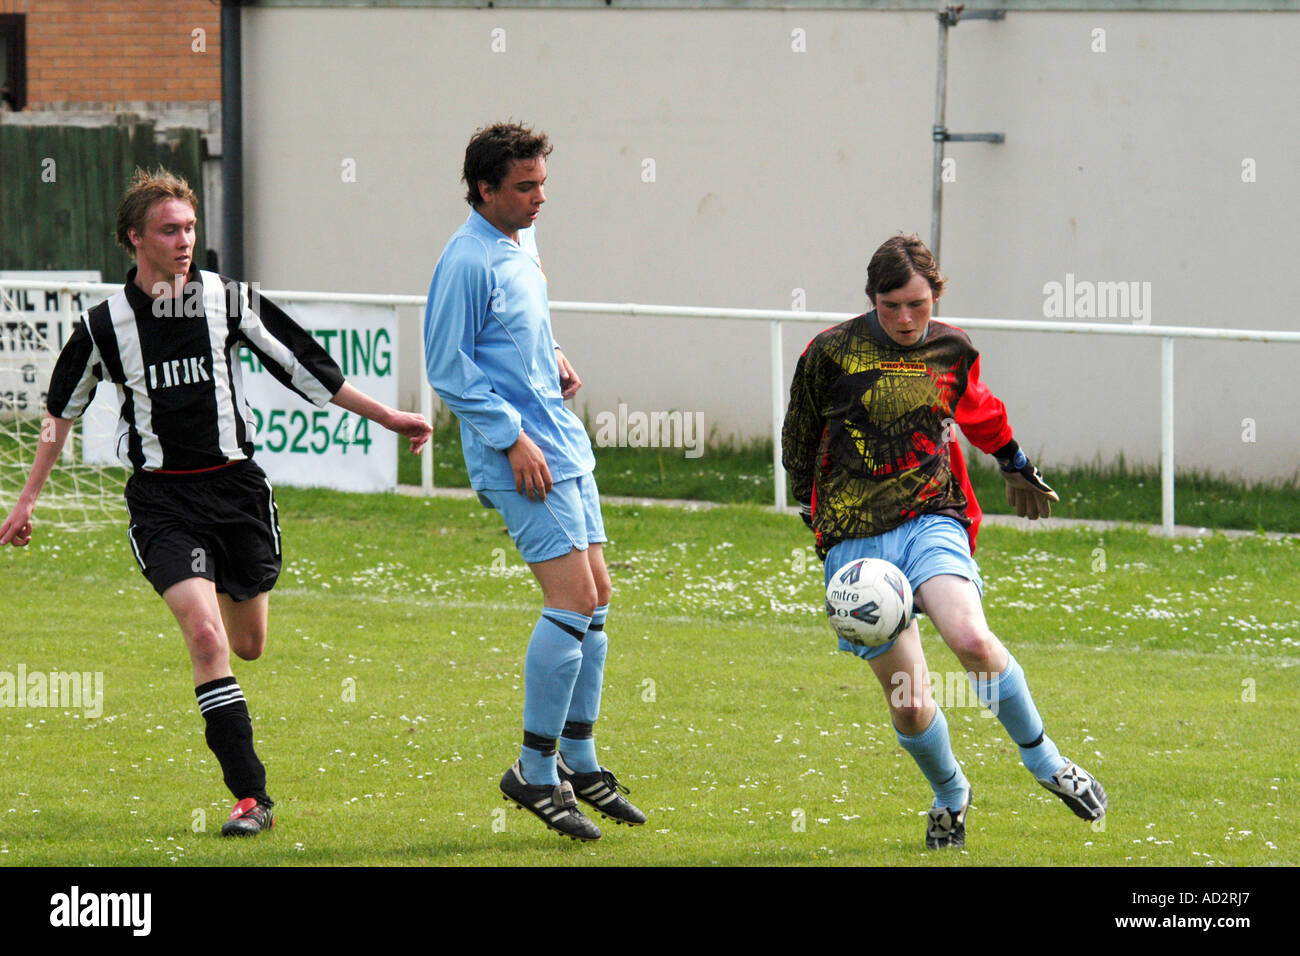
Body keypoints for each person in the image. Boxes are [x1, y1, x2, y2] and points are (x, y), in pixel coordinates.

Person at [1, 168, 432, 836]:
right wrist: (28, 500)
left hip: (235, 492)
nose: (184, 241)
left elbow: (303, 364)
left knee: (248, 644)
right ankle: (251, 798)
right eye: (170, 230)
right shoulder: (104, 326)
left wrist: (390, 417)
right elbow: (60, 414)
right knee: (205, 639)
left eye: (191, 228)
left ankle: (238, 717)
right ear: (134, 239)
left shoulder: (227, 302)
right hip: (162, 503)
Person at [782, 233, 1107, 849]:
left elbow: (975, 406)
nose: (906, 319)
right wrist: (813, 512)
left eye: (917, 304)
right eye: (891, 305)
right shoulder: (829, 353)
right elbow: (798, 435)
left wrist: (1014, 461)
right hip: (855, 541)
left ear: (935, 295)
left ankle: (1048, 763)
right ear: (871, 298)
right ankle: (950, 794)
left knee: (972, 641)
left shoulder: (952, 347)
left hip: (932, 515)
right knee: (908, 701)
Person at [423, 122, 645, 842]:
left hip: (560, 440)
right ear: (485, 189)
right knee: (572, 598)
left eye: (543, 183)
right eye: (525, 186)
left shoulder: (522, 240)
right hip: (520, 453)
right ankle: (533, 770)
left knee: (599, 598)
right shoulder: (464, 261)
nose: (539, 197)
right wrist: (511, 437)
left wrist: (554, 351)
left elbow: (519, 325)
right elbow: (449, 368)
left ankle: (577, 757)